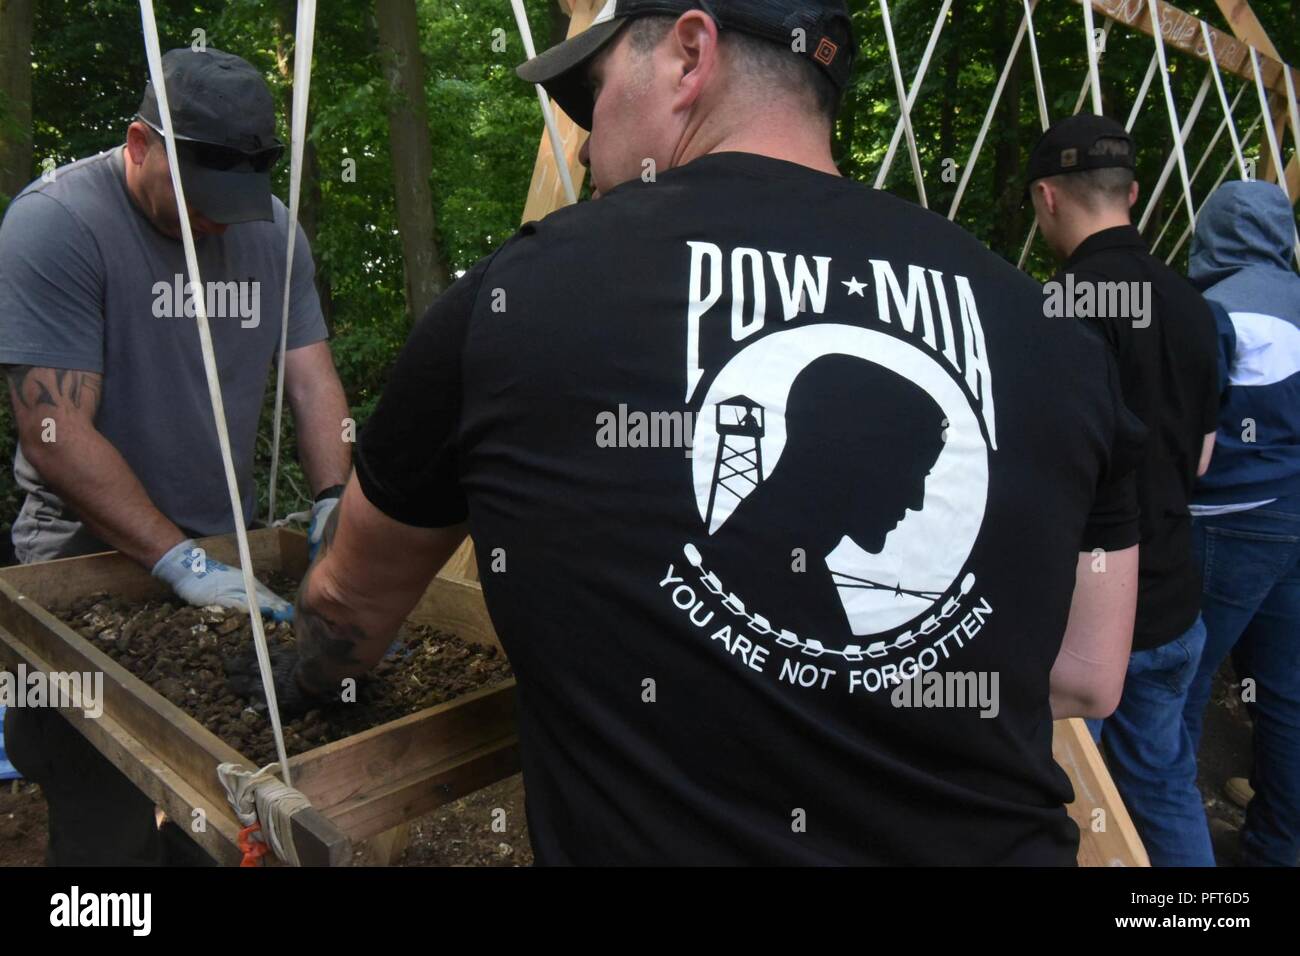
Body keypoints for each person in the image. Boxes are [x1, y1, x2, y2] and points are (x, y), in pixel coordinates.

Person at [273, 0, 1143, 864]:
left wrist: (307, 680)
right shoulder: (1053, 335)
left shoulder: (515, 300)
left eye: (595, 91)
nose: (583, 137)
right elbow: (1086, 675)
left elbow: (350, 605)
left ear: (690, 55)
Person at [0, 48, 352, 865]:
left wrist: (335, 496)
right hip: (88, 566)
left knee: (219, 816)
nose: (216, 225)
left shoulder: (273, 232)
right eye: (199, 200)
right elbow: (55, 435)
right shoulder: (55, 225)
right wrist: (177, 562)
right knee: (105, 836)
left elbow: (312, 381)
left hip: (230, 563)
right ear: (136, 144)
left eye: (233, 203)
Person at [1027, 113, 1220, 866]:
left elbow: (1045, 473)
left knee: (1070, 804)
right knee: (1167, 785)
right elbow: (1202, 456)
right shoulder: (1195, 305)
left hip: (1090, 620)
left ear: (1047, 197)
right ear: (1132, 192)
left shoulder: (1063, 305)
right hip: (1176, 604)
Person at [1183, 179, 1300, 867]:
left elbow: (1190, 435)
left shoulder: (1219, 312)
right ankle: (1278, 845)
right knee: (1285, 689)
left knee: (1179, 680)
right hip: (1295, 517)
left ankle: (1165, 850)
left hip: (1232, 519)